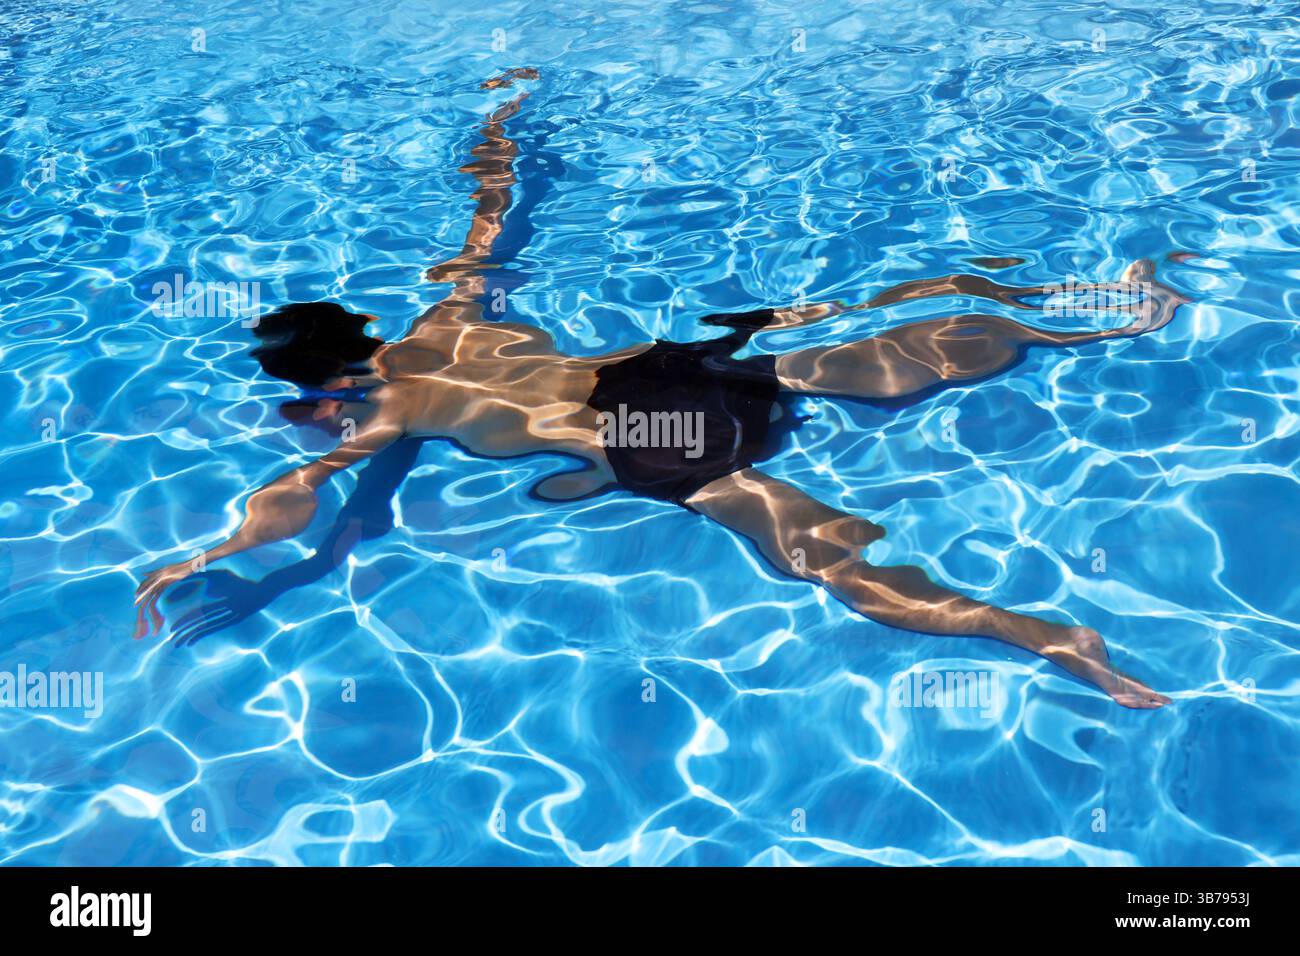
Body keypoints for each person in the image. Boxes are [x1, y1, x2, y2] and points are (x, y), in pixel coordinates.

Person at [137, 68, 1187, 708]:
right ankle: (1092, 314)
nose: (313, 421)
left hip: (642, 435)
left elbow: (311, 494)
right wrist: (500, 129)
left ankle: (1048, 638)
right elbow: (490, 218)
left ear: (325, 386)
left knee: (819, 554)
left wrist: (222, 553)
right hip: (663, 369)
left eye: (302, 402)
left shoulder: (390, 411)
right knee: (893, 343)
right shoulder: (445, 316)